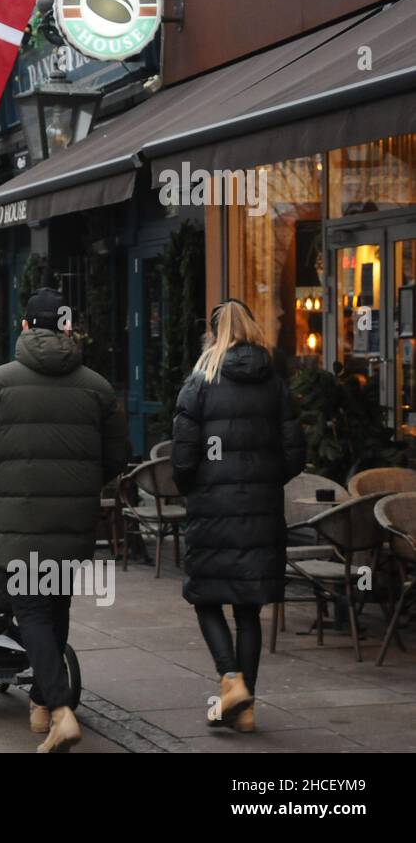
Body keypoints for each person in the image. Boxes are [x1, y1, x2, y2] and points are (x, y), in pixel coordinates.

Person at [0, 287, 127, 753]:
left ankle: (60, 708)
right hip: (73, 521)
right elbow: (118, 456)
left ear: (26, 326)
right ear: (68, 328)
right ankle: (39, 705)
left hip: (18, 518)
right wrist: (82, 485)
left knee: (30, 609)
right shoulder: (96, 385)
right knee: (57, 606)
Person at [171, 299, 305, 734]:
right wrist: (264, 479)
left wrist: (194, 486)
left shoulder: (200, 380)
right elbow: (293, 454)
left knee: (205, 596)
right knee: (248, 609)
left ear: (213, 334)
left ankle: (230, 680)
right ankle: (245, 709)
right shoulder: (275, 383)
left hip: (212, 510)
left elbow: (184, 456)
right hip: (260, 510)